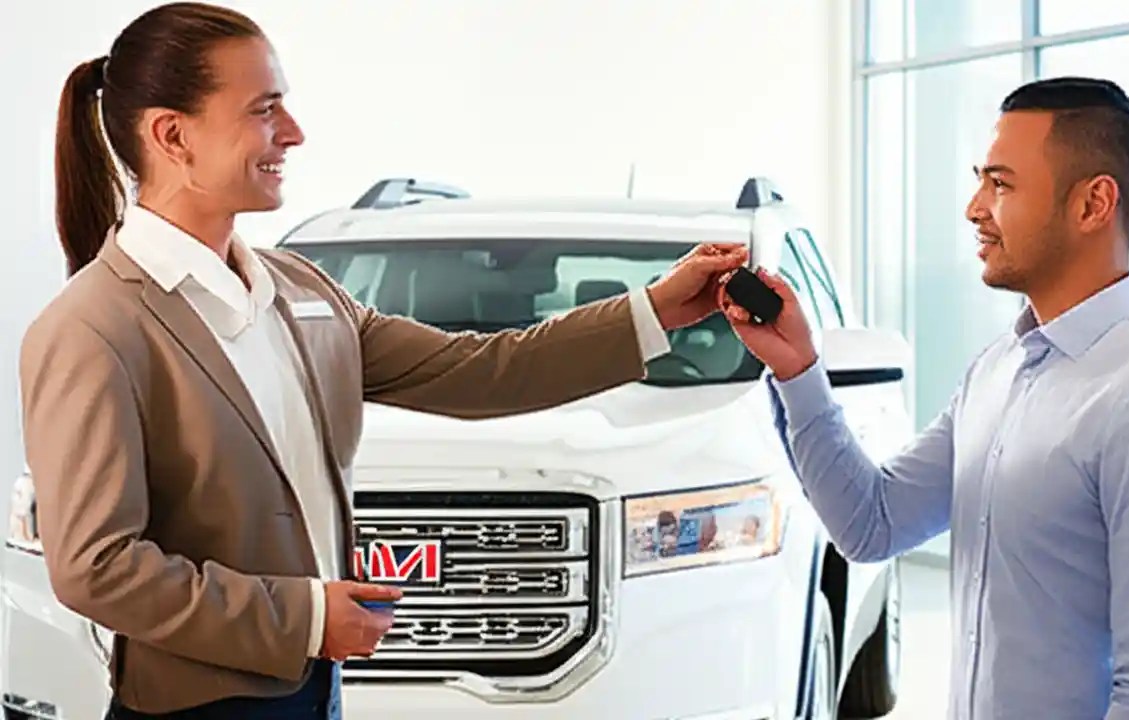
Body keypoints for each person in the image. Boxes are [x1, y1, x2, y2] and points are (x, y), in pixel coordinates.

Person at [21, 2, 748, 718]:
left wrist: (657, 310)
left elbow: (480, 368)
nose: (295, 133)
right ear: (173, 135)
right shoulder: (92, 327)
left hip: (317, 693)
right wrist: (303, 619)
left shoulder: (299, 291)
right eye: (264, 109)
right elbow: (97, 567)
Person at [722, 77, 1129, 719]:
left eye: (1001, 183)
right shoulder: (998, 370)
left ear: (1093, 204)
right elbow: (872, 522)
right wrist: (797, 366)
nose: (973, 207)